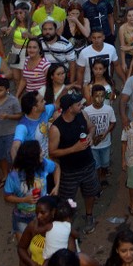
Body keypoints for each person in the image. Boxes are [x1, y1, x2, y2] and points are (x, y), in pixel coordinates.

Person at [49, 92, 102, 234]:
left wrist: (91, 135)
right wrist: (74, 148)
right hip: (69, 171)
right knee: (67, 199)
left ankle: (89, 215)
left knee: (90, 193)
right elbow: (52, 152)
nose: (82, 106)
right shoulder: (56, 128)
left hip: (88, 164)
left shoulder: (82, 115)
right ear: (69, 108)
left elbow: (91, 127)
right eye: (78, 104)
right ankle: (68, 222)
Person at [4, 140, 60, 238]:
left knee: (40, 245)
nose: (43, 153)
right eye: (40, 151)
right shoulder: (14, 176)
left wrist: (56, 186)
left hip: (42, 216)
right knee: (23, 245)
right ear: (32, 158)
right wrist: (24, 200)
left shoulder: (44, 165)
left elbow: (57, 167)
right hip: (22, 217)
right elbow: (7, 196)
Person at [83, 85, 117, 188]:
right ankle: (98, 182)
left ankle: (103, 176)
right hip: (93, 145)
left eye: (102, 96)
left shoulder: (109, 109)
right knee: (96, 165)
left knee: (105, 163)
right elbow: (84, 126)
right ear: (92, 96)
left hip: (105, 143)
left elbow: (113, 122)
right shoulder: (86, 111)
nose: (100, 99)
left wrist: (106, 132)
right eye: (97, 96)